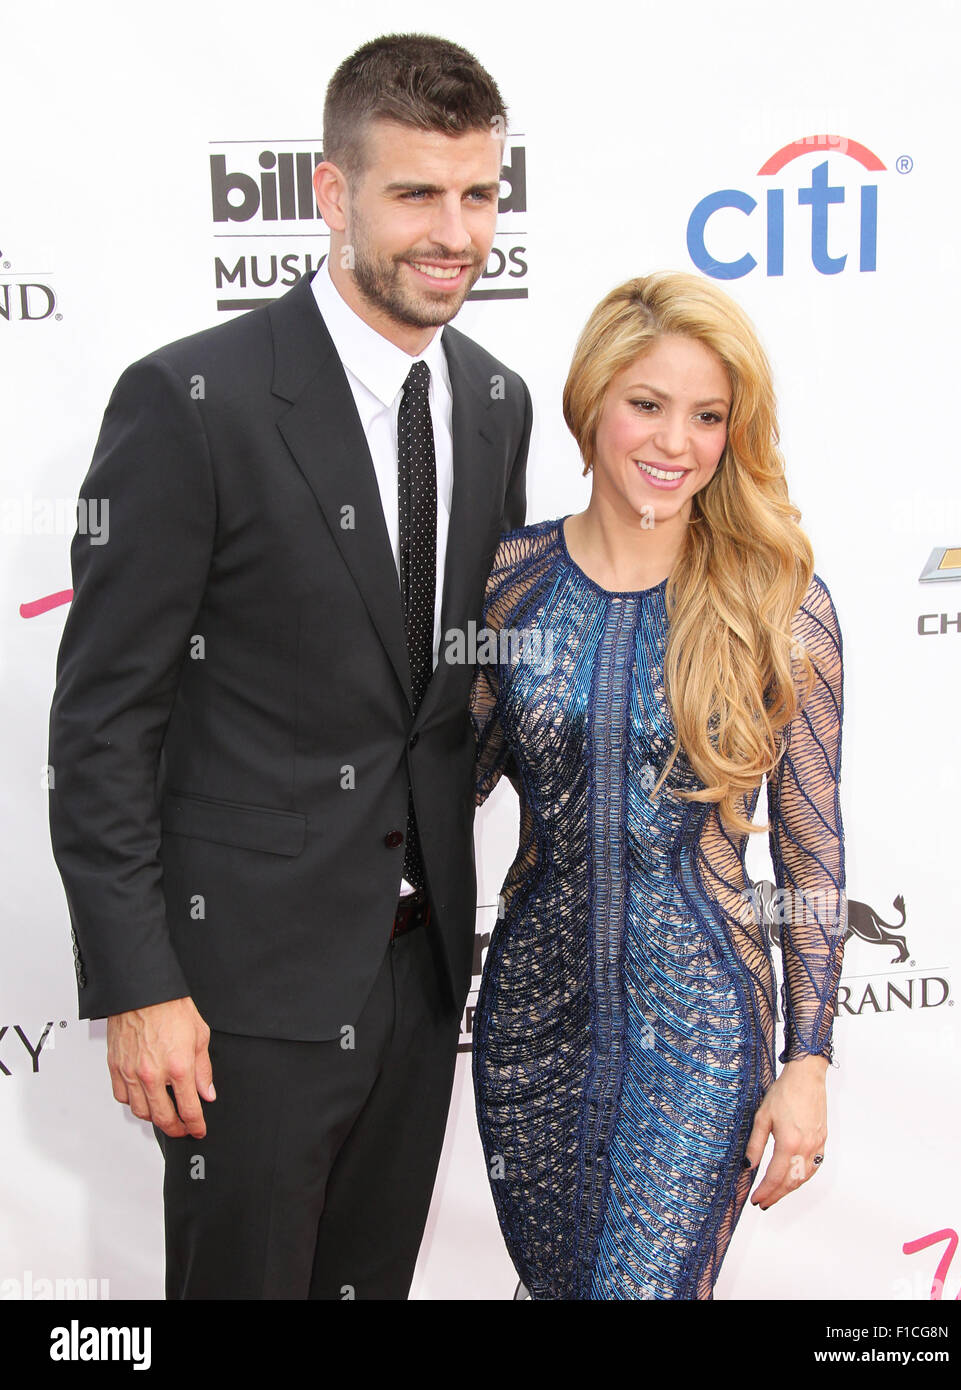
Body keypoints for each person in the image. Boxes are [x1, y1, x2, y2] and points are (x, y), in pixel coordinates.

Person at [47, 33, 531, 1300]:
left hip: (423, 977)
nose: (457, 232)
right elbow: (103, 722)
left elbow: (454, 687)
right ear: (330, 193)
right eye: (417, 193)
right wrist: (141, 985)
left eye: (480, 194)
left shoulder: (494, 403)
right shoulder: (191, 401)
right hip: (243, 998)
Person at [469, 271, 846, 1300]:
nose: (675, 441)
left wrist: (807, 1058)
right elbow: (437, 788)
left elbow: (811, 852)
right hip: (530, 1026)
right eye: (648, 403)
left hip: (701, 1028)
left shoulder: (776, 602)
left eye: (708, 415)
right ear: (593, 400)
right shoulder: (510, 583)